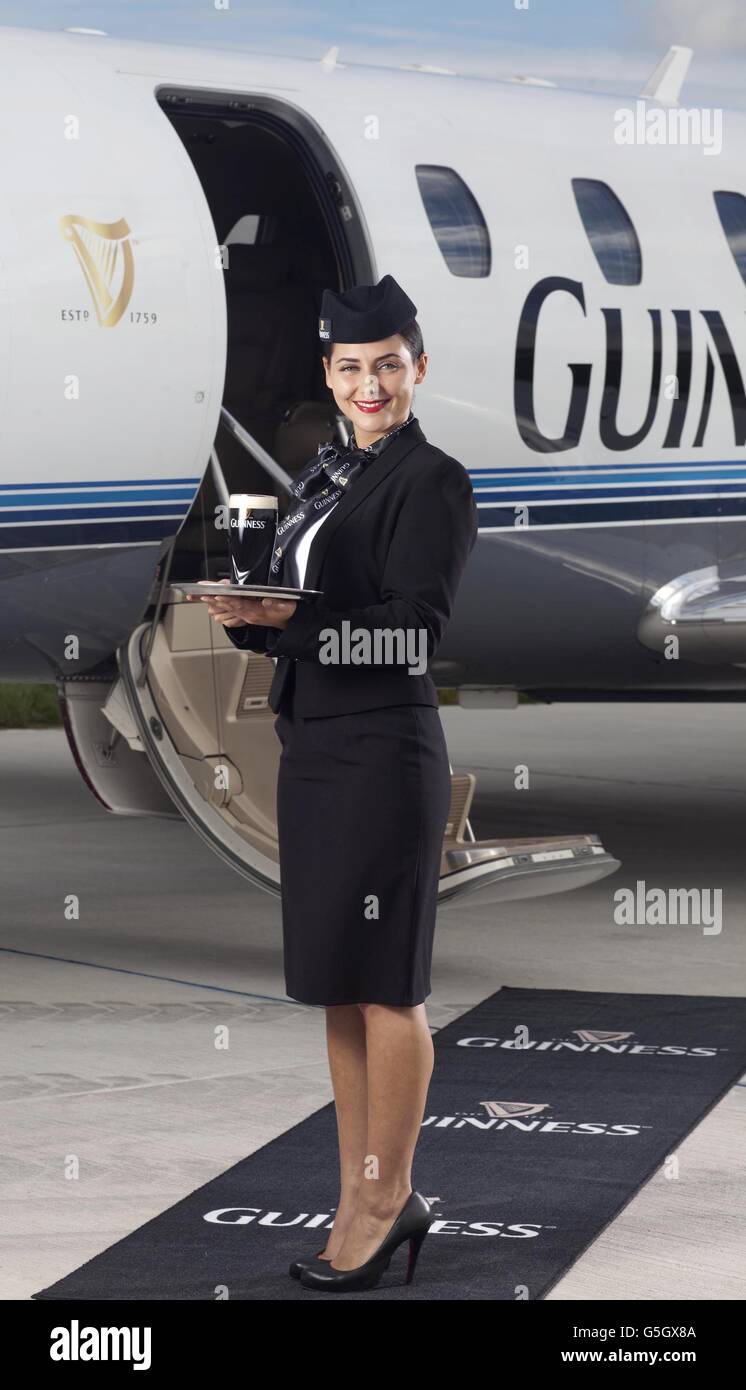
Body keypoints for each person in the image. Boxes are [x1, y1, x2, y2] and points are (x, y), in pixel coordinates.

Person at [194, 274, 478, 1292]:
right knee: (335, 988)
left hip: (382, 751)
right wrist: (244, 613)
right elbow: (302, 599)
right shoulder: (326, 476)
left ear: (416, 369)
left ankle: (385, 1196)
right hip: (317, 748)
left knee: (387, 988)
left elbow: (412, 631)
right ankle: (359, 1189)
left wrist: (290, 625)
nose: (369, 386)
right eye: (351, 369)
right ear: (329, 371)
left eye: (387, 367)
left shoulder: (429, 481)